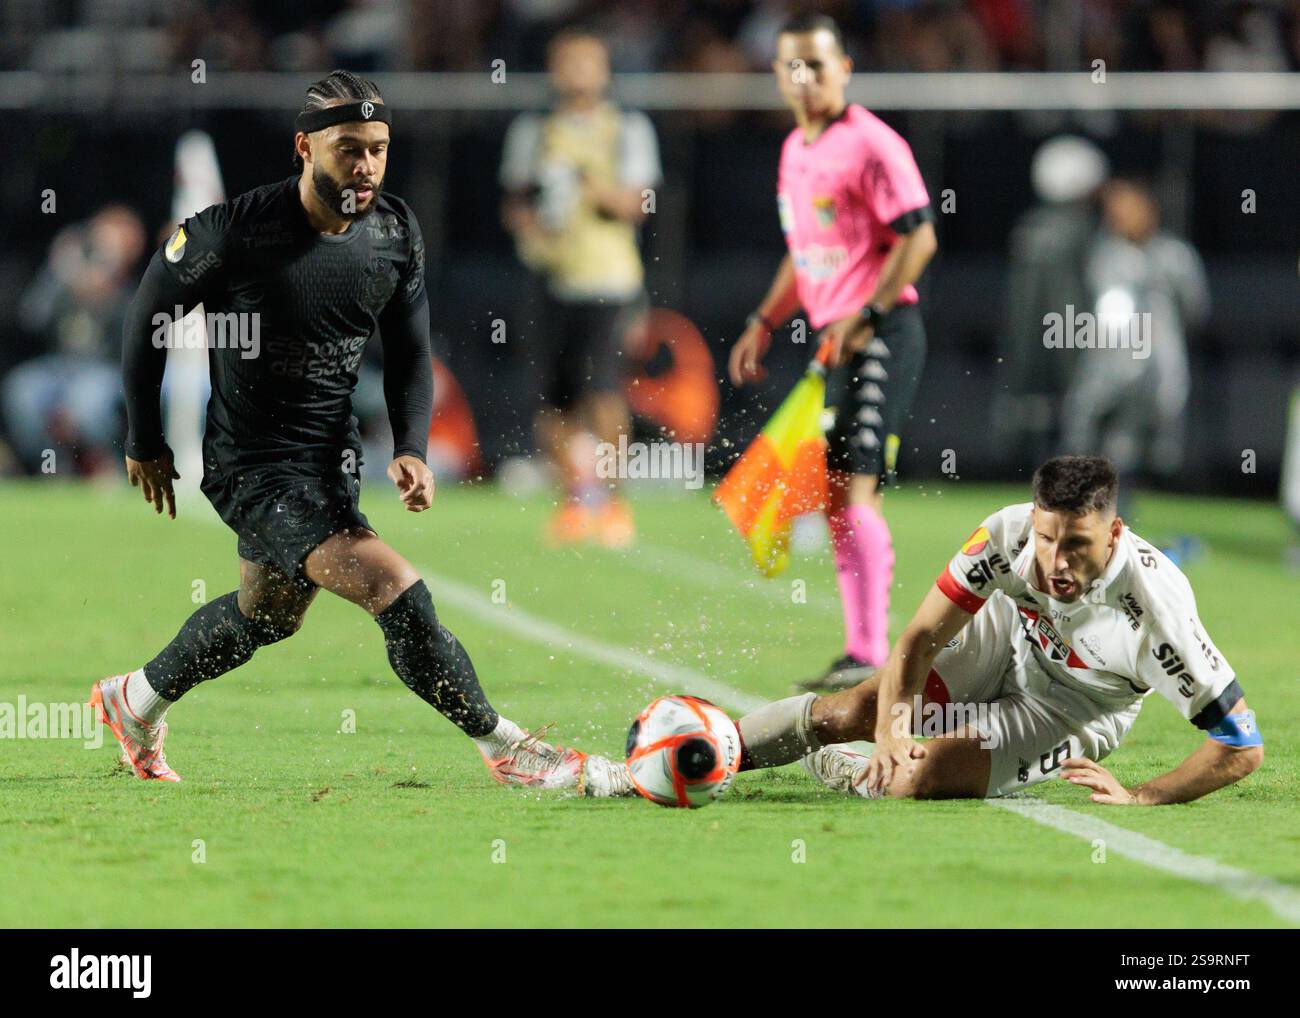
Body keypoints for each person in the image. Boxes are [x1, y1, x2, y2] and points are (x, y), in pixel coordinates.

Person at [93, 69, 624, 796]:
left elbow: (410, 351)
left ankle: (135, 699)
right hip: (252, 467)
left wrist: (410, 446)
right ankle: (510, 750)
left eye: (378, 148)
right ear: (304, 147)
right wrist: (144, 439)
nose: (366, 165)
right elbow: (146, 321)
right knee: (392, 587)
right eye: (348, 148)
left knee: (266, 616)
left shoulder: (394, 232)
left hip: (328, 461)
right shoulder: (234, 231)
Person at [734, 456, 1262, 804]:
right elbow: (921, 636)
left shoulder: (1155, 613)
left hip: (1076, 706)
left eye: (1077, 544)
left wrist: (1143, 795)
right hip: (1007, 635)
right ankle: (715, 747)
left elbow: (1241, 746)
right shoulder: (1005, 534)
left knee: (913, 780)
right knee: (854, 711)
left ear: (1114, 533)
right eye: (1047, 538)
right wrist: (892, 727)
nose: (1057, 562)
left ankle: (849, 768)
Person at [727, 13, 938, 691]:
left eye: (817, 64)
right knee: (838, 492)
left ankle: (870, 655)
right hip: (836, 342)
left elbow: (920, 238)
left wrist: (868, 315)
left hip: (882, 334)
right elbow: (805, 253)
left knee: (855, 488)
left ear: (845, 68)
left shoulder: (872, 144)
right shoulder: (795, 149)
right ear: (777, 75)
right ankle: (861, 652)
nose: (805, 77)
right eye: (792, 65)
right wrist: (764, 319)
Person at [500, 27, 662, 548]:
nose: (576, 73)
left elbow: (637, 204)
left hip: (607, 277)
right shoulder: (533, 132)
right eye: (567, 62)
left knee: (604, 391)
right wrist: (533, 231)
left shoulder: (626, 129)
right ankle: (574, 498)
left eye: (586, 62)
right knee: (553, 399)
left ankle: (611, 502)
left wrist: (587, 185)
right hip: (552, 278)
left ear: (604, 70)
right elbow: (516, 203)